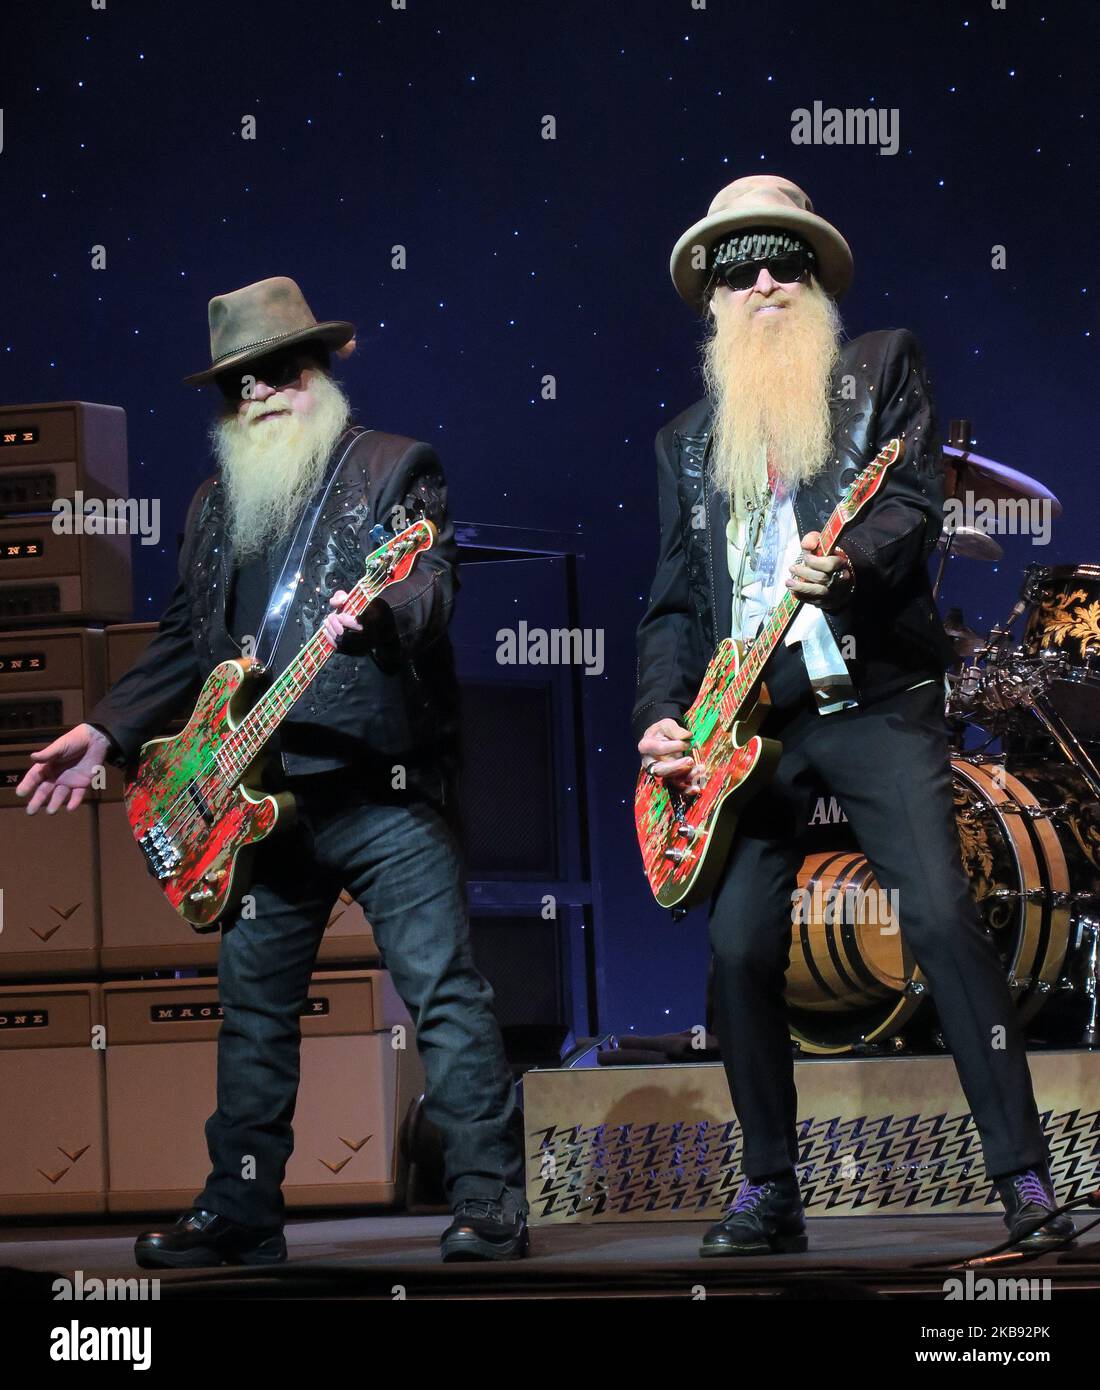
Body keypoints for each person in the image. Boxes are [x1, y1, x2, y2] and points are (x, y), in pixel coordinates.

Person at [18, 276, 528, 1266]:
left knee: (441, 992)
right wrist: (108, 731)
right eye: (237, 383)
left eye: (278, 372)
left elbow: (428, 584)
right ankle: (243, 1213)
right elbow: (181, 642)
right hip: (256, 800)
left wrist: (376, 615)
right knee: (253, 1017)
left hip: (380, 785)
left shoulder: (391, 469)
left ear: (319, 371)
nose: (259, 394)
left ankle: (488, 1202)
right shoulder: (214, 506)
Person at [632, 175, 1075, 1257]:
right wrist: (660, 717)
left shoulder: (879, 367)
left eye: (786, 259)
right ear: (713, 295)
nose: (767, 279)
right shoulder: (682, 442)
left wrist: (851, 566)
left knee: (934, 915)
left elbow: (915, 504)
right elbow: (675, 602)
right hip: (748, 728)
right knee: (734, 948)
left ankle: (1019, 1177)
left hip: (874, 696)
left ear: (817, 276)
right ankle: (768, 1189)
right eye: (742, 265)